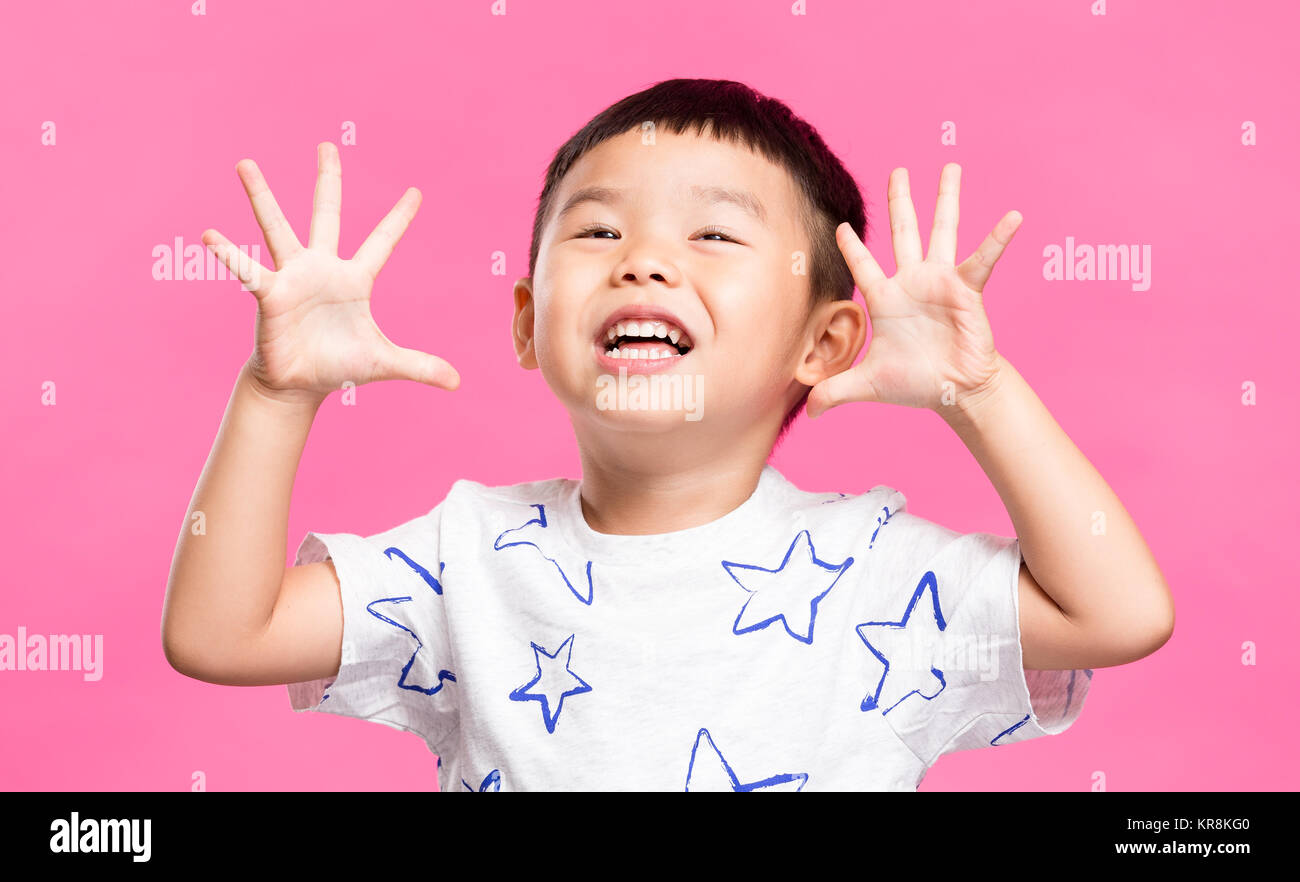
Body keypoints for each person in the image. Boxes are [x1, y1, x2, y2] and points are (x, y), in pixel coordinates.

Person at [162, 78, 1174, 791]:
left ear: (824, 340)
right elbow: (220, 635)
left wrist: (977, 392)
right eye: (598, 231)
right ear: (527, 322)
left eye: (714, 235)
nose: (642, 260)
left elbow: (1119, 614)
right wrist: (275, 392)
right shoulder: (462, 558)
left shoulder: (871, 573)